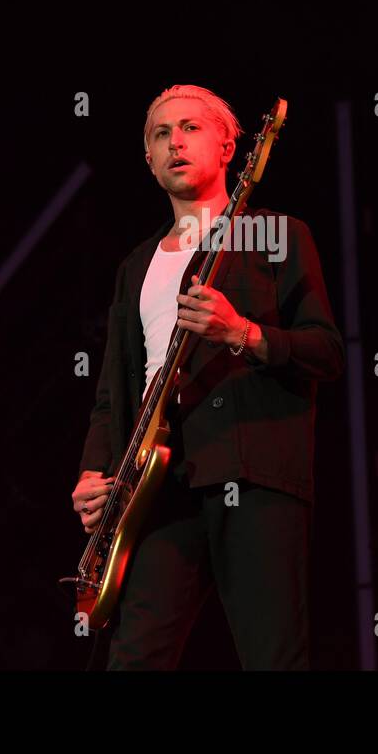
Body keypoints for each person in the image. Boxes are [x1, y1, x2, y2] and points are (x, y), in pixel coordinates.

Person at [72, 83, 344, 669]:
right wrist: (95, 470)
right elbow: (110, 392)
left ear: (228, 146)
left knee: (273, 657)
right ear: (148, 159)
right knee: (133, 657)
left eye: (191, 128)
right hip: (154, 485)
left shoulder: (278, 235)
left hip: (251, 470)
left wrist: (241, 332)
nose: (175, 142)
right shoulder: (135, 266)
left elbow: (326, 352)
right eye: (160, 133)